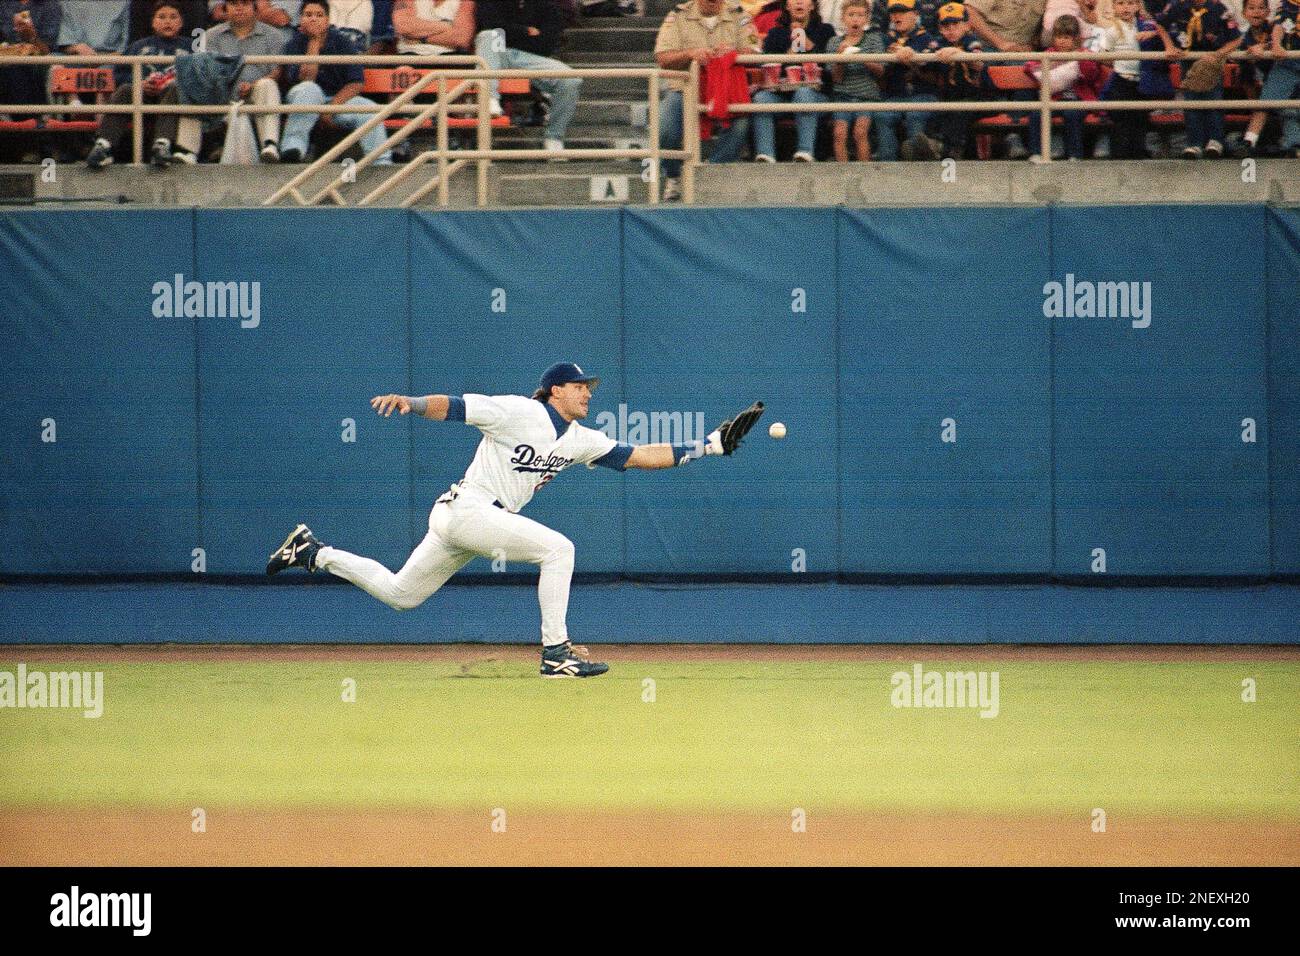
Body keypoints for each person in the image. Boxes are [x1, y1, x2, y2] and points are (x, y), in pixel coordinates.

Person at [265, 364, 765, 679]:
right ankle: (556, 653)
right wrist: (412, 403)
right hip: (467, 511)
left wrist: (709, 446)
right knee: (559, 549)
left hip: (467, 521)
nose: (588, 392)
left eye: (589, 387)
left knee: (401, 595)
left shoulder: (578, 439)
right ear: (554, 391)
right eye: (579, 386)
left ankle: (312, 551)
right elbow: (457, 407)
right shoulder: (517, 411)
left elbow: (638, 456)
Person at [654, 0, 760, 201]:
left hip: (727, 89)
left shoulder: (739, 14)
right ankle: (674, 176)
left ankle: (707, 174)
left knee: (741, 122)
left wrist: (733, 53)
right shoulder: (678, 15)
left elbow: (755, 51)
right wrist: (690, 54)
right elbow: (662, 57)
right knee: (665, 128)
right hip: (685, 88)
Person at [278, 0, 394, 163]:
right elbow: (306, 78)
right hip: (304, 98)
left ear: (327, 20)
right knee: (310, 89)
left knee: (370, 109)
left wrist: (331, 108)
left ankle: (382, 162)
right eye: (308, 15)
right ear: (301, 19)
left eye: (319, 15)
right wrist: (314, 42)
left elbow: (356, 82)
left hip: (337, 100)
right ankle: (293, 149)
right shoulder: (293, 43)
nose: (313, 19)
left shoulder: (343, 42)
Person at [87, 1, 192, 169]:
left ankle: (161, 146)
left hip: (172, 100)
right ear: (153, 22)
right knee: (125, 90)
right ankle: (103, 146)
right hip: (141, 97)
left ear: (181, 22)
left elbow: (199, 76)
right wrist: (140, 83)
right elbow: (119, 74)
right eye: (162, 17)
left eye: (173, 17)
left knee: (173, 88)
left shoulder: (190, 47)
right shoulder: (138, 46)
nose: (167, 22)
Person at [474, 0, 580, 155]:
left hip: (530, 58)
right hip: (496, 51)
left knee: (571, 80)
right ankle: (489, 98)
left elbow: (546, 44)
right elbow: (489, 25)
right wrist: (526, 31)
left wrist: (510, 33)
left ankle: (554, 138)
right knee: (488, 36)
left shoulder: (548, 5)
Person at [204, 0, 288, 161]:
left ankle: (269, 145)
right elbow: (208, 71)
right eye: (234, 3)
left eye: (245, 3)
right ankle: (187, 152)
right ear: (225, 8)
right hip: (222, 95)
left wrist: (252, 86)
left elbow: (277, 71)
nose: (239, 8)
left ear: (255, 8)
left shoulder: (273, 35)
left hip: (257, 94)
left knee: (268, 84)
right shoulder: (211, 36)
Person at [1156, 0, 1241, 158]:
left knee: (1213, 101)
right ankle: (1194, 143)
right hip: (1188, 62)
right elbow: (1160, 24)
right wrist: (1169, 45)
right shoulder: (1178, 7)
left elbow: (1236, 39)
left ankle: (1215, 141)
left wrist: (1218, 55)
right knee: (1191, 103)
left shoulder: (1219, 9)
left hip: (1212, 63)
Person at [752, 0, 835, 162]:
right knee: (760, 99)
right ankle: (765, 155)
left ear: (812, 6)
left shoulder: (826, 31)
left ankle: (805, 152)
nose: (799, 2)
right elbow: (767, 66)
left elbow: (830, 69)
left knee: (803, 93)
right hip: (782, 95)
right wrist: (788, 57)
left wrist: (807, 44)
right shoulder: (775, 33)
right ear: (787, 6)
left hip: (817, 96)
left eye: (804, 0)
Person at [1100, 0, 1175, 158]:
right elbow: (1103, 55)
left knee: (1140, 118)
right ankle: (1120, 154)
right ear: (1114, 7)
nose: (1125, 7)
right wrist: (1121, 66)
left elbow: (1163, 36)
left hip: (1141, 80)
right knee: (1122, 119)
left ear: (1137, 6)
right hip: (1122, 80)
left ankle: (1138, 152)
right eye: (1120, 3)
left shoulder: (1145, 25)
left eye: (1130, 3)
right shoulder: (1112, 30)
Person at [1023, 13, 1104, 159]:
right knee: (1037, 115)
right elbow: (1029, 67)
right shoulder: (1049, 54)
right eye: (1059, 37)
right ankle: (1036, 153)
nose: (1062, 41)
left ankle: (1074, 154)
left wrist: (1078, 60)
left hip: (1078, 100)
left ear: (1076, 38)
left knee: (1071, 114)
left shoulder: (1083, 54)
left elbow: (1092, 75)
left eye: (1066, 38)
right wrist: (1053, 64)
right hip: (1054, 99)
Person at [877, 0, 942, 161]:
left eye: (903, 12)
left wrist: (912, 61)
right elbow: (881, 74)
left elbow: (934, 78)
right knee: (882, 115)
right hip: (895, 95)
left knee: (915, 114)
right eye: (893, 12)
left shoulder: (928, 39)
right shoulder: (886, 40)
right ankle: (887, 166)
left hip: (923, 94)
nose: (897, 16)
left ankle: (917, 163)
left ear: (916, 14)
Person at [827, 0, 886, 160]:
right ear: (843, 18)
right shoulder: (834, 42)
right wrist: (840, 59)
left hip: (866, 96)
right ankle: (844, 172)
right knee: (839, 133)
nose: (855, 19)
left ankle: (864, 173)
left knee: (860, 132)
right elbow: (835, 78)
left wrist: (863, 59)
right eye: (851, 15)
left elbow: (881, 71)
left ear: (867, 19)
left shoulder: (874, 39)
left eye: (860, 15)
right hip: (842, 96)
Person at [1243, 0, 1300, 157]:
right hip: (1288, 63)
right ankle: (1249, 141)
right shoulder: (1290, 5)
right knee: (1266, 102)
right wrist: (1276, 44)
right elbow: (1279, 26)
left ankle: (1295, 144)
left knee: (1294, 109)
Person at [932, 1, 984, 159]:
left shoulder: (971, 40)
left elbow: (979, 62)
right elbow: (924, 58)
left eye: (955, 24)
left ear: (967, 25)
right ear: (940, 29)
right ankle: (934, 146)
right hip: (950, 96)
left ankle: (947, 150)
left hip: (977, 96)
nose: (951, 30)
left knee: (960, 110)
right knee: (937, 112)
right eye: (946, 26)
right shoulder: (939, 43)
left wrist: (956, 52)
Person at [0, 0, 61, 114]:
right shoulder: (3, 5)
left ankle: (28, 118)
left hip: (36, 60)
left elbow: (48, 50)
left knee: (20, 69)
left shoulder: (51, 6)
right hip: (5, 57)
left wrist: (31, 37)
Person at [1236, 0, 1275, 153]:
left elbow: (1282, 43)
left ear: (1267, 12)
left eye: (1261, 8)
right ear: (1244, 13)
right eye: (1251, 8)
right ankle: (1254, 139)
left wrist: (1264, 47)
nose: (1256, 12)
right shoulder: (1244, 38)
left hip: (1284, 79)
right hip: (1263, 85)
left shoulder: (1276, 29)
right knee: (1245, 73)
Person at [392, 0, 474, 54]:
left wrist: (421, 39)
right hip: (409, 55)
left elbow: (461, 38)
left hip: (449, 57)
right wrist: (447, 25)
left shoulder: (464, 2)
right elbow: (403, 26)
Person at [57, 0, 131, 56]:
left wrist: (102, 59)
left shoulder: (126, 3)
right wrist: (75, 48)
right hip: (74, 57)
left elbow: (128, 48)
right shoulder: (66, 3)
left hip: (114, 60)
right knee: (54, 66)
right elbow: (63, 44)